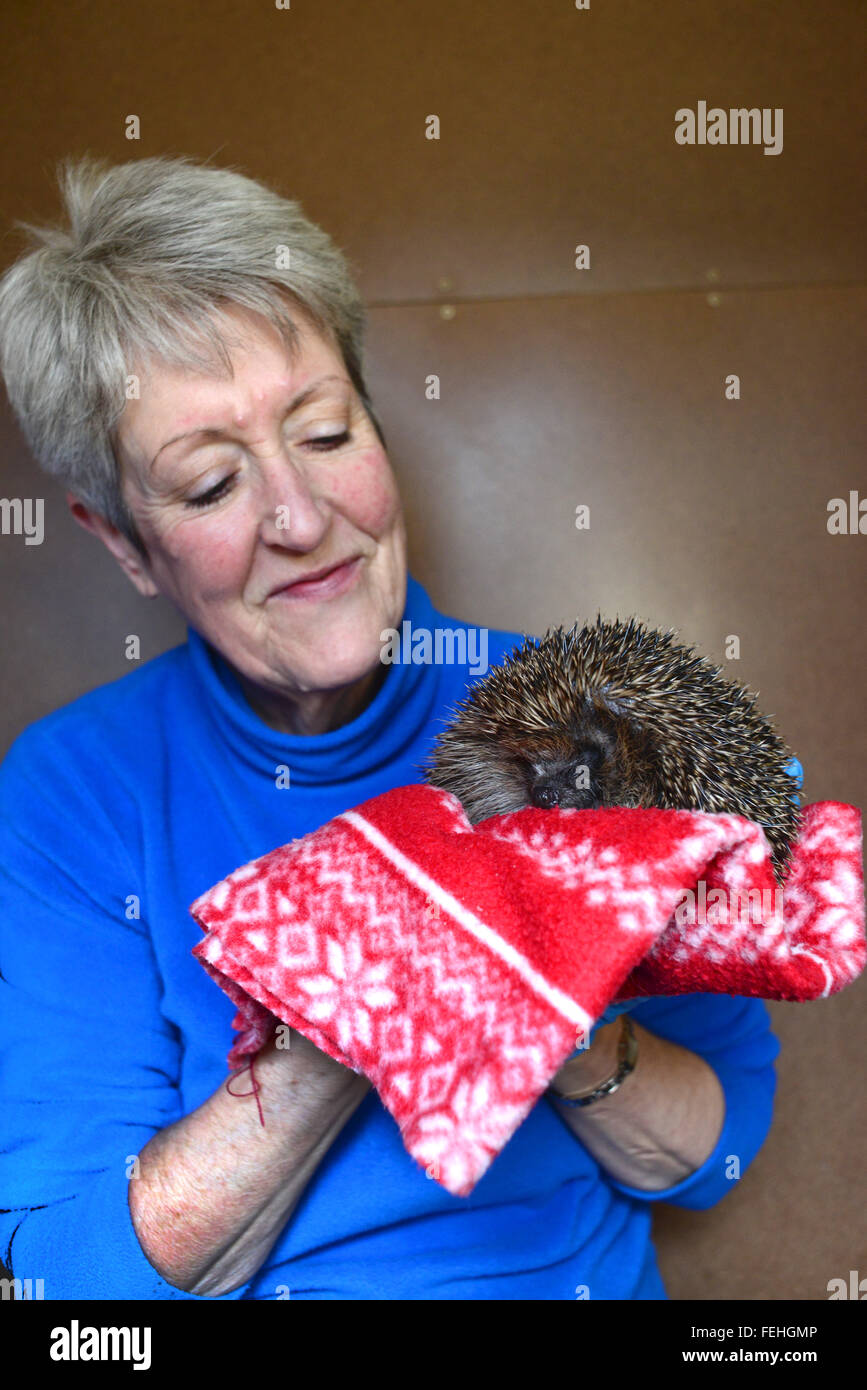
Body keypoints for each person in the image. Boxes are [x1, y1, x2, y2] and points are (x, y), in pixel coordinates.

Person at [0, 154, 782, 1301]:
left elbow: (716, 1151)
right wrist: (348, 995)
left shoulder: (580, 717)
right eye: (212, 485)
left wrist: (551, 997)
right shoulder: (73, 790)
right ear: (123, 542)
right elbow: (72, 1280)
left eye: (323, 434)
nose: (302, 518)